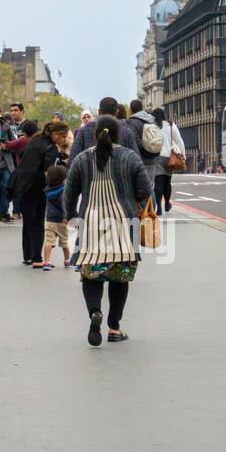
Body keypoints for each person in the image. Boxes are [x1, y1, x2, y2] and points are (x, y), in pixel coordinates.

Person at [64, 115, 151, 345]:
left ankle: (95, 312)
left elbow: (70, 191)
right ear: (118, 135)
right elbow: (144, 190)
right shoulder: (129, 156)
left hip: (90, 223)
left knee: (91, 274)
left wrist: (71, 214)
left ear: (94, 136)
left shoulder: (82, 159)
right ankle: (114, 327)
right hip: (123, 223)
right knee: (119, 276)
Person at [13, 120, 69, 265]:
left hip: (22, 183)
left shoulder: (35, 140)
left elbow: (23, 155)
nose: (65, 139)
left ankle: (28, 256)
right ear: (55, 135)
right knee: (37, 221)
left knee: (28, 221)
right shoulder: (50, 147)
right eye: (63, 137)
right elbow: (47, 172)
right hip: (36, 186)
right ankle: (37, 258)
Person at [69, 96, 141, 164]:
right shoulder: (127, 132)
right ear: (117, 112)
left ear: (99, 111)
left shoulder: (84, 131)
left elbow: (73, 159)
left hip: (89, 175)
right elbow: (137, 161)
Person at [152, 106, 185, 212]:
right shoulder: (171, 125)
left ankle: (159, 207)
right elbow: (179, 141)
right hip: (169, 157)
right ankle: (167, 203)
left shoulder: (152, 126)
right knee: (167, 182)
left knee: (158, 182)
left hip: (157, 156)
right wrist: (183, 155)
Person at [127, 98, 163, 188]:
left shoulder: (132, 122)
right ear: (142, 107)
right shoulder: (152, 119)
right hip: (152, 157)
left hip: (140, 159)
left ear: (131, 110)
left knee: (140, 188)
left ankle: (147, 202)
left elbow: (134, 139)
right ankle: (152, 202)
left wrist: (143, 149)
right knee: (151, 186)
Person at [43, 161, 70, 269]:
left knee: (49, 241)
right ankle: (67, 260)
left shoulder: (47, 189)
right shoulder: (63, 191)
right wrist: (66, 216)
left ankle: (46, 262)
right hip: (61, 220)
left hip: (50, 219)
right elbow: (64, 205)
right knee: (64, 242)